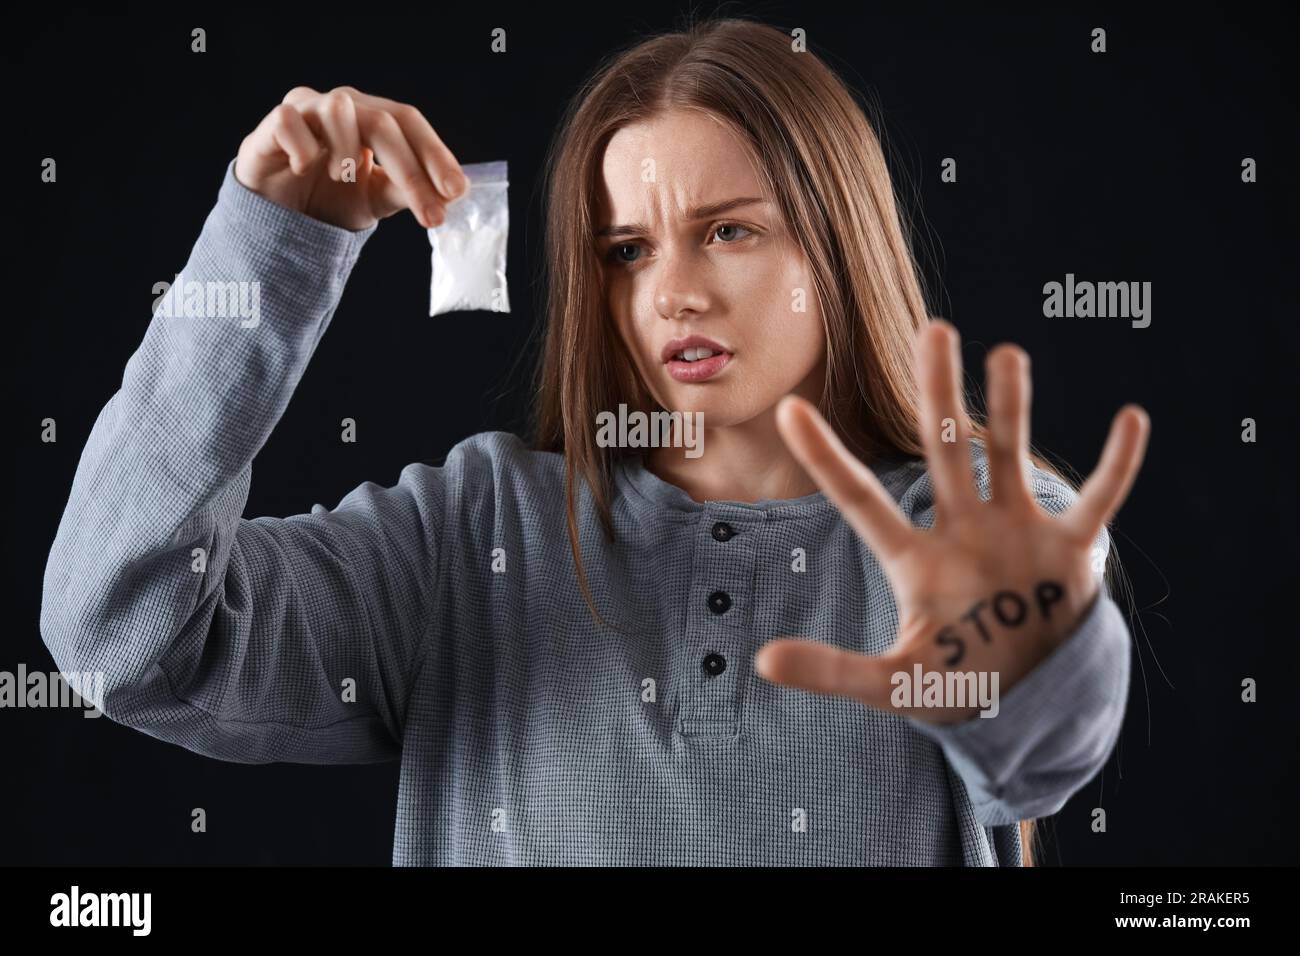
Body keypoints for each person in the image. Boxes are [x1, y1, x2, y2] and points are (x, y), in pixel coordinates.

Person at [40, 17, 1148, 866]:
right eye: (624, 250)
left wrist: (1013, 632)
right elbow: (118, 636)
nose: (672, 292)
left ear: (836, 248)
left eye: (729, 231)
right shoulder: (469, 536)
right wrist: (266, 255)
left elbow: (1041, 729)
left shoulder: (968, 518)